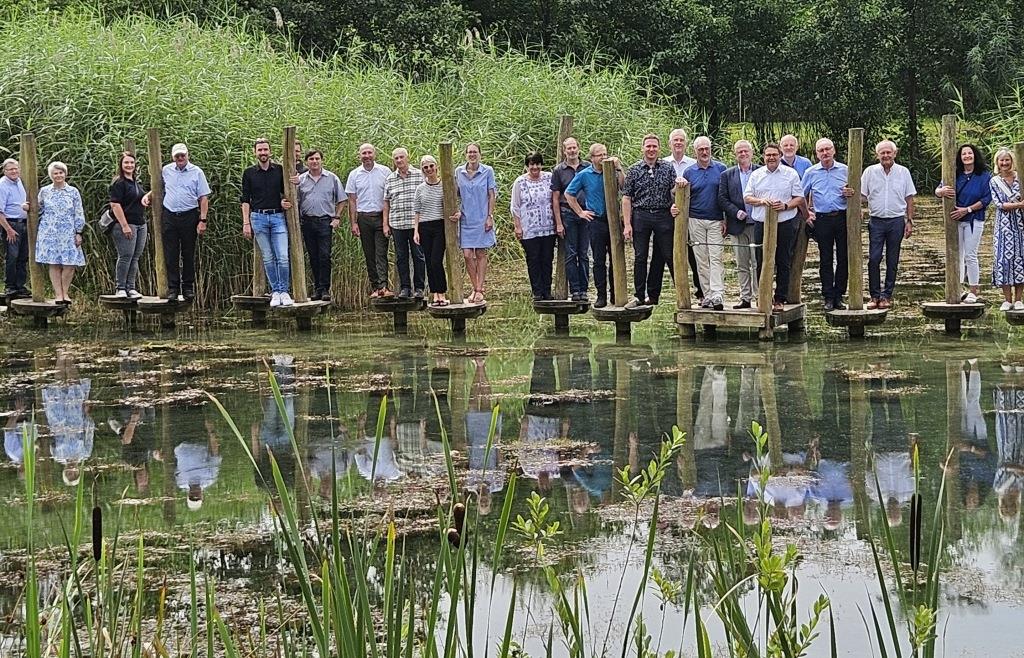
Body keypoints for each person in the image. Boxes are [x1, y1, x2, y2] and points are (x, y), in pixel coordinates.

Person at [144, 143, 211, 302]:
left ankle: (188, 287)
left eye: (183, 155)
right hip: (170, 216)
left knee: (188, 253)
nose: (180, 158)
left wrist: (202, 220)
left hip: (189, 216)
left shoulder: (197, 172)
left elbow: (203, 197)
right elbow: (159, 188)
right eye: (177, 156)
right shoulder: (166, 170)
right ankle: (173, 288)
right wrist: (148, 196)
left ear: (188, 155)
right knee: (171, 254)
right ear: (173, 157)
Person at [622, 134, 682, 307]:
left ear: (659, 148)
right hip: (641, 215)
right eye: (648, 146)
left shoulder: (668, 167)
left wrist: (675, 203)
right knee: (640, 256)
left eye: (654, 146)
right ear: (643, 148)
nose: (651, 150)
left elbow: (674, 192)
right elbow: (626, 198)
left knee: (668, 255)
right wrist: (627, 224)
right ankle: (639, 296)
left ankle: (681, 294)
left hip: (663, 215)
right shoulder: (634, 169)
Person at [743, 143, 804, 311]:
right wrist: (761, 201)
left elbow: (799, 198)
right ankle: (764, 296)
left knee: (783, 260)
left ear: (780, 156)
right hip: (761, 223)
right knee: (760, 260)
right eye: (768, 155)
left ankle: (780, 299)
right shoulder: (756, 175)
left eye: (774, 155)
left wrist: (785, 206)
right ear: (763, 157)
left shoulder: (790, 174)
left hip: (784, 222)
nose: (771, 158)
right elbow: (747, 197)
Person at [565, 144, 623, 308]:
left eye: (605, 154)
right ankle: (601, 295)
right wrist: (581, 212)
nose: (603, 158)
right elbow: (569, 194)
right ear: (592, 158)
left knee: (615, 258)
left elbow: (624, 186)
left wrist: (618, 167)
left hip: (613, 221)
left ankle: (615, 294)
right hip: (596, 221)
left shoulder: (611, 171)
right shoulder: (584, 175)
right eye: (599, 155)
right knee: (598, 260)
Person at [861, 140, 916, 309]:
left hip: (896, 221)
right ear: (877, 155)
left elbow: (909, 198)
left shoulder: (903, 172)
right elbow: (862, 196)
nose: (885, 156)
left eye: (888, 152)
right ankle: (874, 296)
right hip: (876, 221)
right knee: (874, 258)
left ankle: (886, 296)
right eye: (882, 153)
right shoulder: (870, 172)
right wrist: (858, 209)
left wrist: (909, 221)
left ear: (894, 153)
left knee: (893, 260)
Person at [935, 144, 992, 304]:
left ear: (975, 155)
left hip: (974, 219)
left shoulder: (984, 176)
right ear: (960, 157)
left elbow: (986, 199)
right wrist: (940, 192)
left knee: (970, 255)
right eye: (964, 154)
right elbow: (939, 190)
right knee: (956, 255)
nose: (967, 156)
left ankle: (973, 290)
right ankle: (956, 289)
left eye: (970, 153)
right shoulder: (954, 174)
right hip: (955, 221)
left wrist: (966, 210)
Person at [803, 138, 855, 310]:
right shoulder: (811, 172)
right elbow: (801, 195)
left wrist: (851, 192)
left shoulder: (846, 170)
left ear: (834, 150)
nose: (825, 153)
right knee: (825, 259)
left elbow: (858, 192)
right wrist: (807, 214)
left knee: (843, 257)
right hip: (822, 219)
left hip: (842, 217)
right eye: (821, 150)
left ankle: (839, 295)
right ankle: (828, 296)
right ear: (817, 154)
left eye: (827, 149)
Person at [241, 138, 293, 307]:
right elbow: (245, 199)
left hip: (277, 217)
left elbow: (286, 192)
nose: (263, 153)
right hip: (258, 218)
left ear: (270, 151)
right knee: (268, 257)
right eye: (260, 150)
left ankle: (284, 291)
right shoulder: (249, 173)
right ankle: (275, 291)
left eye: (265, 150)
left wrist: (286, 200)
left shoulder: (279, 170)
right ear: (255, 153)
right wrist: (246, 223)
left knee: (283, 256)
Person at [682, 136, 727, 310]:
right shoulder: (689, 172)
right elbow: (684, 197)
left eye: (706, 148)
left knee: (715, 257)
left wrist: (725, 218)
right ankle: (707, 294)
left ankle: (717, 294)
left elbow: (725, 195)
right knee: (701, 259)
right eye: (700, 149)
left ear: (711, 149)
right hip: (695, 219)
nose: (704, 152)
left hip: (716, 220)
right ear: (695, 152)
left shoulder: (721, 169)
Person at [295, 149, 344, 302]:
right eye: (311, 159)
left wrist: (336, 217)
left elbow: (342, 199)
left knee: (324, 256)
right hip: (307, 222)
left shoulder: (331, 178)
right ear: (307, 162)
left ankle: (325, 289)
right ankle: (317, 288)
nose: (314, 161)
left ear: (322, 160)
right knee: (313, 257)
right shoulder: (301, 180)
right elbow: (295, 200)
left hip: (324, 221)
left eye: (317, 159)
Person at [512, 152, 561, 301]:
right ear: (527, 166)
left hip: (548, 228)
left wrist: (558, 223)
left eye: (537, 164)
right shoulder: (519, 182)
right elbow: (515, 206)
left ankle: (547, 290)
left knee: (547, 259)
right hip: (529, 229)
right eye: (532, 164)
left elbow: (555, 199)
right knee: (533, 260)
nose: (535, 167)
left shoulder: (549, 177)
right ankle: (537, 292)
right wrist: (518, 226)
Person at [452, 143, 497, 304]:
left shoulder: (487, 171)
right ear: (465, 155)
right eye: (469, 152)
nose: (472, 155)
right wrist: (456, 211)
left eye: (475, 152)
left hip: (482, 218)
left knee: (480, 253)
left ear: (480, 154)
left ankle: (479, 289)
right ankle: (474, 286)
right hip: (465, 219)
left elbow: (492, 195)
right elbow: (453, 194)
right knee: (467, 254)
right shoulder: (459, 172)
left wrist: (489, 216)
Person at [36, 162, 85, 305]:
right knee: (54, 263)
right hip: (49, 231)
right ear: (51, 175)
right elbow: (38, 209)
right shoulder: (45, 191)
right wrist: (28, 206)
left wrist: (78, 232)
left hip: (68, 232)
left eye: (61, 172)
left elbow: (78, 212)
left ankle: (66, 292)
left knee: (70, 264)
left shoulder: (73, 191)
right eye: (55, 173)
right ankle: (58, 294)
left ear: (65, 174)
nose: (58, 175)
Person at [347, 143, 393, 298]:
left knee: (381, 252)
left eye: (369, 152)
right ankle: (375, 287)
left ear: (375, 154)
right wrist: (353, 223)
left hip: (381, 217)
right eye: (363, 153)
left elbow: (389, 197)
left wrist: (387, 221)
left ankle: (384, 287)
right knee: (369, 254)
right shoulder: (354, 174)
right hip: (363, 218)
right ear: (359, 155)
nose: (366, 156)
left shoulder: (385, 171)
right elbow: (352, 200)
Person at [718, 141, 760, 309]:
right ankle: (745, 298)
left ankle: (760, 297)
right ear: (735, 154)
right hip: (737, 225)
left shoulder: (760, 171)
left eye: (745, 151)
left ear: (751, 152)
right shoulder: (727, 175)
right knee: (742, 264)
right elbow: (722, 198)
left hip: (758, 224)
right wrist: (735, 212)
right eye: (739, 152)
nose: (743, 154)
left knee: (758, 262)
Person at [664, 127, 704, 301]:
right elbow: (661, 191)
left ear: (686, 144)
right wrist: (669, 206)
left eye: (681, 140)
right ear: (670, 144)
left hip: (691, 216)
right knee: (673, 254)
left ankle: (701, 292)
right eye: (675, 140)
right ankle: (680, 292)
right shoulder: (663, 164)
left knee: (695, 255)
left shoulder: (693, 165)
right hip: (669, 215)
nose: (678, 143)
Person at [550, 137, 590, 302]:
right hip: (568, 215)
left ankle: (584, 290)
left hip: (586, 214)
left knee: (585, 254)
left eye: (574, 148)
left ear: (579, 149)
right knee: (571, 254)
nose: (572, 151)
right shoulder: (559, 170)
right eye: (569, 149)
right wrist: (558, 222)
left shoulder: (587, 167)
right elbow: (555, 198)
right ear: (564, 151)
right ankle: (575, 291)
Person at [383, 147, 426, 299]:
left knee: (418, 256)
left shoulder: (419, 175)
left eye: (402, 157)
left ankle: (419, 288)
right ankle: (405, 288)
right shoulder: (390, 178)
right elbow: (386, 203)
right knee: (401, 257)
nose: (399, 160)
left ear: (407, 158)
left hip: (416, 225)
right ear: (393, 161)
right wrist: (385, 224)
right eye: (396, 158)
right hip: (397, 223)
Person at [109, 152, 150, 298]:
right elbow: (115, 204)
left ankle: (131, 287)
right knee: (125, 256)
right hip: (126, 224)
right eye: (126, 163)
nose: (129, 165)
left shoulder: (135, 183)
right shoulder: (119, 183)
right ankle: (120, 287)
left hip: (140, 223)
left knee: (135, 257)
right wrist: (125, 225)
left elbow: (142, 198)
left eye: (132, 163)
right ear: (121, 165)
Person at [989, 148, 1024, 310]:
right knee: (1003, 259)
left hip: (1020, 225)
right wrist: (1019, 205)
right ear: (997, 163)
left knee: (1020, 259)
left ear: (1012, 161)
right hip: (1003, 227)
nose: (1004, 163)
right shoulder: (994, 181)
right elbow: (999, 204)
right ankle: (1007, 300)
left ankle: (1018, 299)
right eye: (1001, 161)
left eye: (1007, 160)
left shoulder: (1021, 178)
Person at [413, 155, 448, 306]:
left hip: (440, 225)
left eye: (431, 166)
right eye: (425, 167)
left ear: (436, 167)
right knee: (428, 260)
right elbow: (417, 211)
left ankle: (442, 292)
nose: (429, 169)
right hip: (424, 226)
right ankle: (435, 294)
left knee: (436, 260)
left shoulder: (445, 186)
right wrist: (416, 231)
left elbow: (452, 203)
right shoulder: (420, 189)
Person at [0, 158, 29, 298]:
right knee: (12, 257)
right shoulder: (2, 185)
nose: (14, 171)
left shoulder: (19, 182)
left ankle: (20, 286)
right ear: (4, 171)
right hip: (11, 224)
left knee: (23, 257)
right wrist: (8, 230)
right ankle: (10, 287)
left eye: (16, 168)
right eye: (11, 169)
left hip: (24, 223)